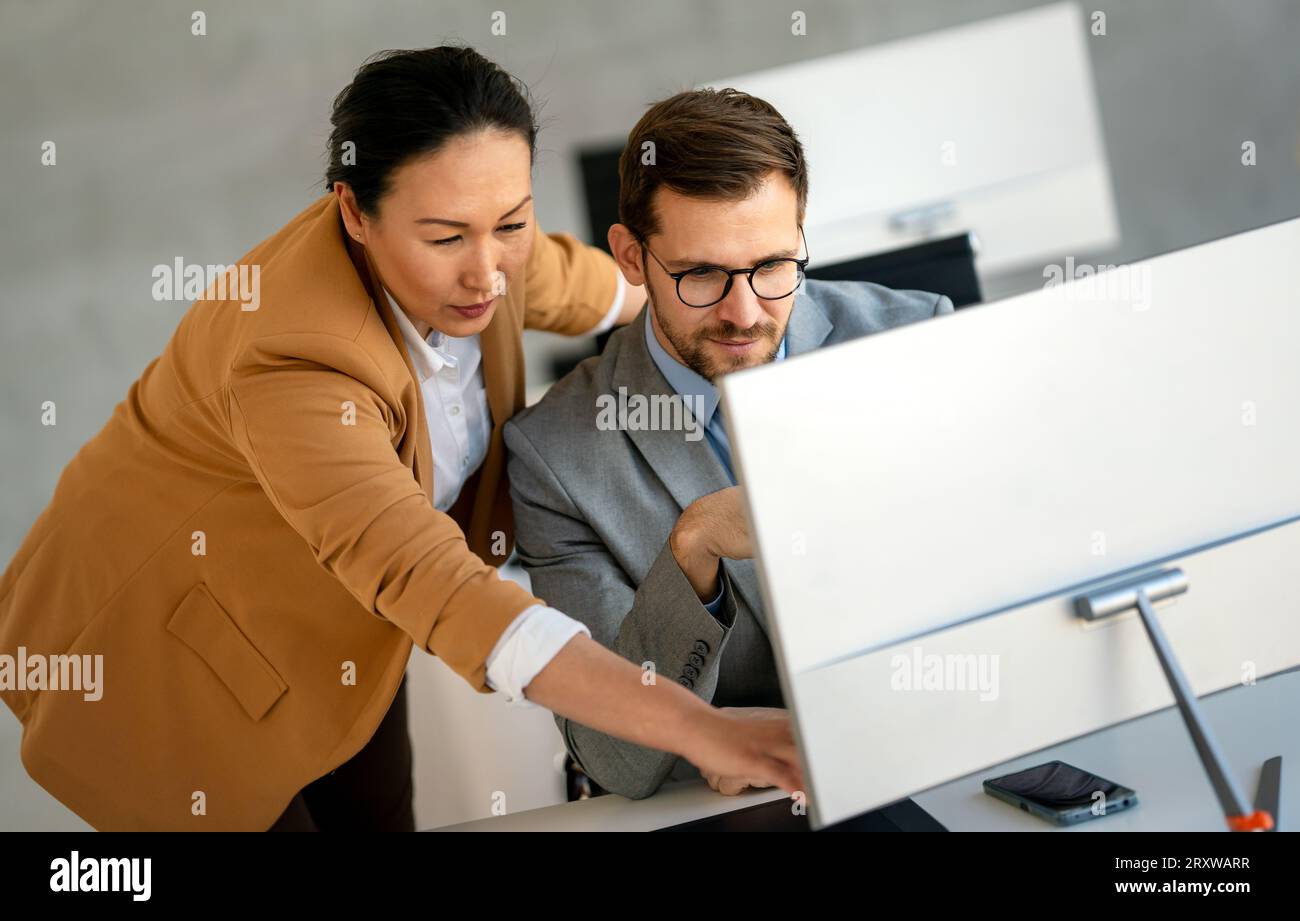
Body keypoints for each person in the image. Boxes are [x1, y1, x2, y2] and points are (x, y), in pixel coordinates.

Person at [0, 49, 802, 831]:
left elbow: (622, 288)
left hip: (345, 631)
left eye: (511, 223)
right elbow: (443, 589)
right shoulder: (292, 358)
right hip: (169, 662)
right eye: (447, 238)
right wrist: (708, 730)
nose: (488, 273)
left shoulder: (487, 243)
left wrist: (747, 307)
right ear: (355, 210)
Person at [505, 87, 953, 800]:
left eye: (773, 265)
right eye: (702, 274)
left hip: (939, 755)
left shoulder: (918, 337)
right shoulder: (553, 456)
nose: (744, 313)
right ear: (629, 255)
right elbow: (613, 759)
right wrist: (694, 550)